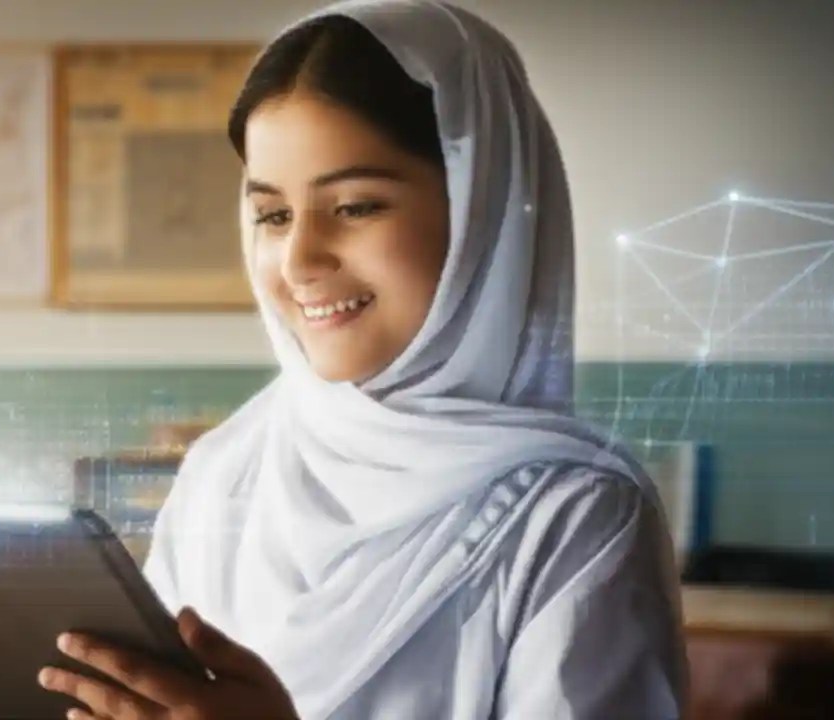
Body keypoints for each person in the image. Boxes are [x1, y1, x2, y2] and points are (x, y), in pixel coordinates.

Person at [38, 1, 687, 717]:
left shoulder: (576, 518)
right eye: (273, 215)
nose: (300, 260)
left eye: (354, 207)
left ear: (481, 211)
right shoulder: (226, 473)